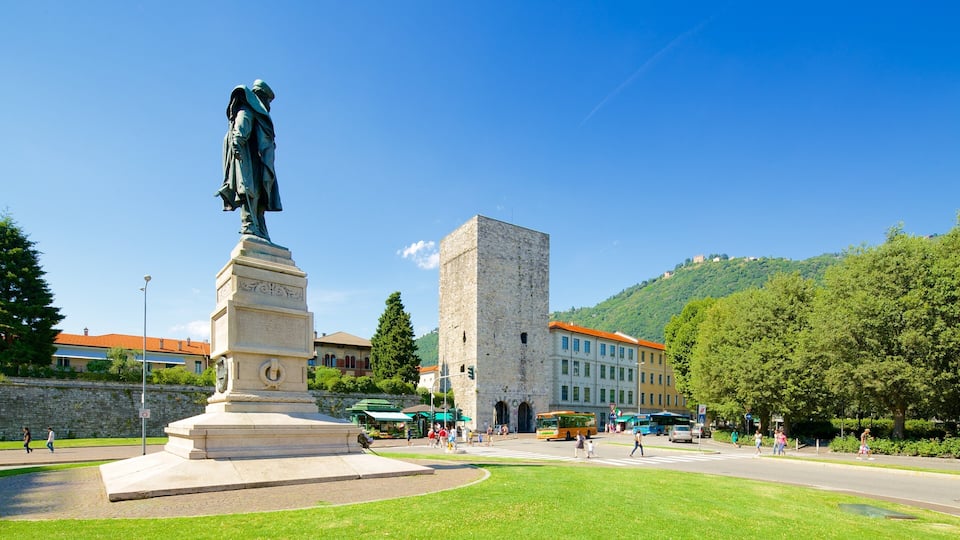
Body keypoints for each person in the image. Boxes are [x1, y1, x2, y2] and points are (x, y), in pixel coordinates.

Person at [217, 79, 282, 242]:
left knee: (261, 196)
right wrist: (238, 143)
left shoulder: (256, 113)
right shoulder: (248, 110)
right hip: (249, 161)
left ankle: (259, 227)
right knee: (249, 191)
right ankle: (249, 226)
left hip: (258, 163)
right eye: (268, 100)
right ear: (262, 97)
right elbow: (240, 128)